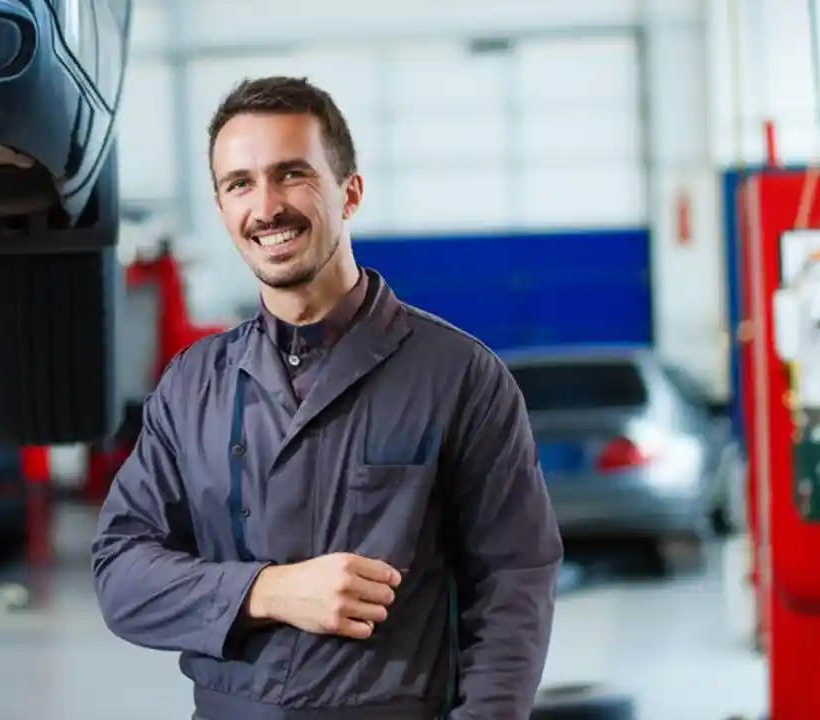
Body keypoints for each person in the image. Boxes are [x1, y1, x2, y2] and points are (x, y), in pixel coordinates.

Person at [91, 75, 563, 720]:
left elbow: (515, 580)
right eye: (240, 184)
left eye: (292, 174)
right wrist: (267, 590)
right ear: (223, 206)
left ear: (351, 192)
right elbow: (122, 575)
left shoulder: (457, 376)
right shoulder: (192, 383)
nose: (266, 206)